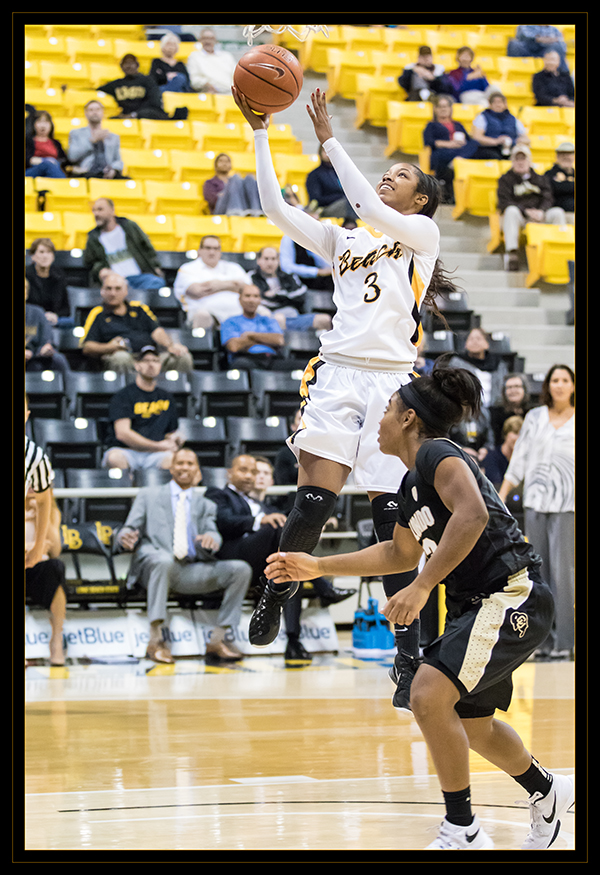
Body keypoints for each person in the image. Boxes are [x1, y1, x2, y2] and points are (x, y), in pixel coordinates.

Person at [265, 360, 573, 851]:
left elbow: (471, 515)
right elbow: (398, 554)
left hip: (512, 594)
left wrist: (423, 586)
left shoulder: (437, 454)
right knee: (472, 725)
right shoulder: (409, 485)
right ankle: (548, 791)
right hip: (478, 603)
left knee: (427, 694)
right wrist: (318, 566)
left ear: (407, 418)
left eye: (386, 409)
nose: (378, 421)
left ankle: (463, 828)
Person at [232, 85, 455, 691]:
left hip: (392, 385)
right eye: (385, 173)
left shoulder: (420, 240)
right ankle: (277, 589)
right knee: (313, 502)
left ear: (422, 200)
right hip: (337, 374)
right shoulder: (346, 238)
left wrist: (329, 138)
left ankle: (407, 655)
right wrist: (260, 133)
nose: (387, 179)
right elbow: (276, 209)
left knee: (393, 528)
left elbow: (367, 204)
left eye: (400, 175)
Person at [205, 453, 354, 663]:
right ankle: (323, 587)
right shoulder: (218, 494)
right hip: (235, 555)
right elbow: (223, 521)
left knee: (290, 569)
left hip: (262, 562)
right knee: (281, 534)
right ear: (229, 473)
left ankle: (293, 641)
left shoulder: (265, 505)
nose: (249, 476)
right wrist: (260, 520)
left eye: (253, 472)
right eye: (243, 470)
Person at [117, 447, 252, 663]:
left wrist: (211, 540)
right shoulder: (148, 495)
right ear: (171, 468)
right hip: (154, 568)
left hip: (189, 568)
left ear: (197, 470)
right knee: (163, 561)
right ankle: (155, 639)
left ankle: (218, 639)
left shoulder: (206, 504)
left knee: (240, 569)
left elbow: (212, 532)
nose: (185, 468)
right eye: (180, 463)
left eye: (190, 464)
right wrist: (124, 537)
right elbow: (127, 528)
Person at [498, 364, 575, 660]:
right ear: (547, 386)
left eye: (564, 380)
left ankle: (565, 641)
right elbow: (519, 459)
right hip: (535, 502)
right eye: (554, 380)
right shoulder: (534, 418)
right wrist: (503, 495)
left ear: (572, 386)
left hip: (567, 505)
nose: (559, 385)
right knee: (537, 574)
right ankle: (540, 641)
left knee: (563, 574)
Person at [80, 272, 192, 373]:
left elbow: (157, 331)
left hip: (149, 356)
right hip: (122, 357)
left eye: (117, 289)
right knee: (121, 358)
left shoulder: (139, 308)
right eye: (108, 289)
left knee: (182, 357)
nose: (113, 293)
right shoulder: (98, 313)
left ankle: (173, 394)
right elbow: (87, 347)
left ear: (126, 291)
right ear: (102, 291)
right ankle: (130, 394)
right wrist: (110, 347)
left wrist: (170, 346)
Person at [25, 397, 65, 667]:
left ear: (25, 415)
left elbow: (43, 500)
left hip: (33, 559)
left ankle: (56, 641)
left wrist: (38, 547)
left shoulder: (34, 456)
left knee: (54, 566)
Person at [102, 345, 183, 472]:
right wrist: (157, 446)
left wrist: (175, 439)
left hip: (155, 455)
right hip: (127, 451)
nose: (151, 365)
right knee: (115, 458)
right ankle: (126, 490)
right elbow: (123, 433)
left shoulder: (166, 397)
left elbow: (170, 432)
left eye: (155, 361)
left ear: (160, 366)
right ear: (137, 365)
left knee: (173, 459)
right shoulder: (124, 395)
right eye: (146, 361)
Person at [497, 144, 568, 271]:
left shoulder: (540, 179)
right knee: (510, 211)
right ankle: (512, 252)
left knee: (557, 212)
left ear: (529, 161)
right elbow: (504, 201)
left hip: (539, 214)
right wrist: (525, 211)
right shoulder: (505, 180)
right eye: (517, 159)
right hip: (520, 216)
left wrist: (541, 211)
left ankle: (560, 250)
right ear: (512, 161)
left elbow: (548, 197)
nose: (520, 162)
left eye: (523, 159)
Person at [172, 235, 266, 329]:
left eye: (216, 248)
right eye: (208, 248)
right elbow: (196, 291)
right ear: (199, 250)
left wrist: (214, 285)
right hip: (208, 314)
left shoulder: (234, 267)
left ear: (220, 251)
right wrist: (233, 284)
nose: (212, 252)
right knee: (202, 316)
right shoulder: (188, 268)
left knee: (265, 313)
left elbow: (248, 290)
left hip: (239, 313)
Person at [84, 197, 167, 290]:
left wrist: (155, 267)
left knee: (156, 282)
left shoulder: (129, 227)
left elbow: (147, 248)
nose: (96, 214)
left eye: (100, 209)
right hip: (116, 282)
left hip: (140, 277)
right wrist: (101, 270)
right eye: (94, 211)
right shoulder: (93, 237)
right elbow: (90, 263)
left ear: (112, 210)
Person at [249, 246, 332, 332]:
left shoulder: (288, 276)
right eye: (266, 259)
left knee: (324, 319)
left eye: (273, 259)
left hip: (294, 316)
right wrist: (287, 297)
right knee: (279, 319)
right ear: (258, 260)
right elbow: (261, 302)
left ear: (278, 260)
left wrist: (277, 295)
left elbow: (301, 295)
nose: (270, 263)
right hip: (270, 318)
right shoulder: (251, 278)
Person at [422, 95, 479, 203]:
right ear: (435, 109)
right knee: (443, 155)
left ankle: (457, 160)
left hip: (459, 152)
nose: (443, 109)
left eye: (446, 106)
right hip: (443, 153)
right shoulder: (431, 125)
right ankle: (456, 161)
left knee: (475, 144)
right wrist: (449, 144)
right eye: (440, 107)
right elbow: (428, 142)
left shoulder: (458, 124)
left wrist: (463, 143)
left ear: (450, 109)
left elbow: (469, 141)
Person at [219, 284, 289, 371]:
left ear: (260, 300)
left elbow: (279, 341)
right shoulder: (230, 322)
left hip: (272, 359)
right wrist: (266, 340)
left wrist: (250, 336)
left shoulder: (268, 320)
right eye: (247, 296)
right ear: (240, 299)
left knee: (303, 367)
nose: (251, 300)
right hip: (246, 358)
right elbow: (234, 346)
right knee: (240, 365)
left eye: (256, 296)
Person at [448, 326, 509, 409]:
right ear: (465, 344)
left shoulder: (498, 364)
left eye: (478, 339)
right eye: (471, 339)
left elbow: (503, 388)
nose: (474, 342)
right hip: (469, 409)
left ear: (487, 344)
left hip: (496, 408)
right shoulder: (457, 363)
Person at [98, 54, 170, 120]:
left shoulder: (148, 81)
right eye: (126, 63)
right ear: (121, 67)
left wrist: (134, 115)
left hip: (146, 115)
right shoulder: (116, 84)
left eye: (131, 63)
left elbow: (154, 102)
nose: (129, 66)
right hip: (126, 117)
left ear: (137, 65)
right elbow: (96, 91)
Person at [25, 278, 71, 378]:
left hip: (34, 357)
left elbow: (46, 339)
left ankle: (68, 392)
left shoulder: (37, 312)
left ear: (27, 294)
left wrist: (42, 349)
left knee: (58, 359)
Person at [67, 99, 125, 179]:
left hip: (107, 171)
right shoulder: (76, 133)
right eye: (91, 110)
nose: (95, 112)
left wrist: (113, 169)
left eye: (98, 109)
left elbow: (118, 160)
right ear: (86, 113)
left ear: (103, 112)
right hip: (87, 172)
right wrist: (92, 141)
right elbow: (72, 157)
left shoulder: (113, 137)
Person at [26, 238, 73, 328]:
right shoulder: (26, 275)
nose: (45, 256)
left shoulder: (59, 276)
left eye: (49, 252)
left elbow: (66, 309)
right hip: (30, 322)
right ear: (33, 256)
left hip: (53, 321)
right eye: (41, 252)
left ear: (53, 256)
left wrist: (55, 315)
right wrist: (40, 315)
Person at [469, 91, 529, 160]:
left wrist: (517, 141)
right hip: (490, 148)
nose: (498, 105)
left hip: (510, 147)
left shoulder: (513, 119)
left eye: (500, 102)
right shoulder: (483, 117)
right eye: (495, 103)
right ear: (490, 104)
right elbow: (477, 137)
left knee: (521, 154)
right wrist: (496, 141)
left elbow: (526, 138)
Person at [306, 144, 358, 221]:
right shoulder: (315, 174)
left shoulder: (339, 173)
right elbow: (316, 199)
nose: (327, 154)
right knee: (348, 204)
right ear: (320, 153)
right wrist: (338, 198)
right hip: (325, 208)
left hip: (342, 203)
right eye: (325, 151)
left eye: (330, 152)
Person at [203, 153, 262, 217]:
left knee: (249, 178)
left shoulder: (237, 183)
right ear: (216, 164)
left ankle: (256, 210)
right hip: (220, 210)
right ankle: (235, 210)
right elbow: (212, 200)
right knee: (236, 177)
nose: (224, 163)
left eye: (227, 161)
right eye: (221, 161)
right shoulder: (210, 183)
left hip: (242, 208)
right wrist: (228, 192)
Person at [186, 28, 237, 94]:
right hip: (209, 93)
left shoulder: (227, 56)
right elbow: (194, 80)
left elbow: (236, 76)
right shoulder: (194, 56)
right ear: (200, 40)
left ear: (215, 40)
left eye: (211, 38)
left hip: (230, 93)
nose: (208, 41)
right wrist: (206, 84)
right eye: (205, 38)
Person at [489, 373, 532, 447]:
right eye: (509, 387)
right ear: (504, 392)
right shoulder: (495, 413)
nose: (513, 390)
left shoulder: (531, 413)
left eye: (517, 386)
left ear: (524, 390)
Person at [482, 414, 523, 489]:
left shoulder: (523, 458)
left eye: (521, 435)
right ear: (506, 434)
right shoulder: (492, 457)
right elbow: (495, 485)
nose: (518, 438)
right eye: (515, 433)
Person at [25, 110, 68, 178]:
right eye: (39, 121)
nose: (43, 125)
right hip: (31, 171)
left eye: (46, 122)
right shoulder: (27, 141)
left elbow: (64, 161)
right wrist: (44, 160)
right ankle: (64, 185)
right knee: (47, 164)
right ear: (33, 124)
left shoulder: (56, 143)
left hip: (53, 169)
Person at [544, 142, 575, 223]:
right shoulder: (549, 174)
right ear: (557, 157)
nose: (566, 157)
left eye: (569, 154)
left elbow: (560, 187)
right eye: (563, 154)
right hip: (559, 211)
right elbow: (553, 189)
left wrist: (563, 185)